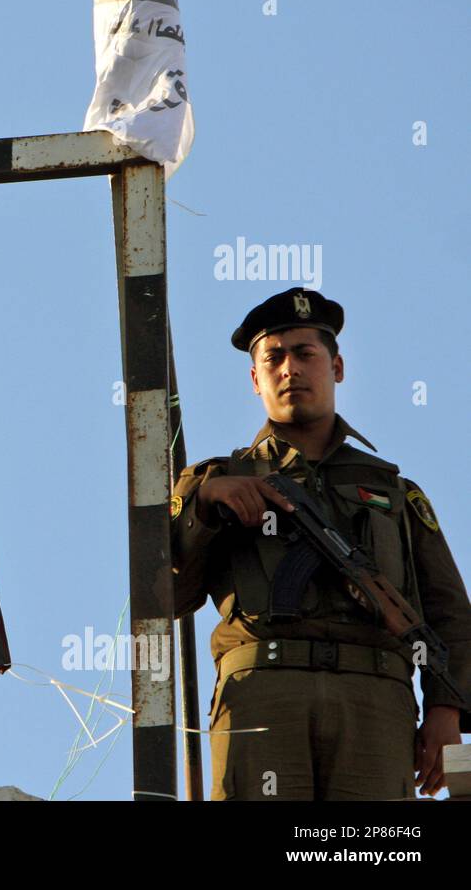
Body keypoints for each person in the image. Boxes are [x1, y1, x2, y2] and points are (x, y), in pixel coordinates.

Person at [171, 287, 471, 800]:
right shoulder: (216, 480)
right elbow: (165, 595)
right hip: (263, 692)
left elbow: (448, 610)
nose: (290, 369)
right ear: (255, 379)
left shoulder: (394, 490)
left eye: (305, 354)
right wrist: (203, 504)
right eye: (274, 358)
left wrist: (446, 711)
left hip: (374, 696)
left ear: (337, 367)